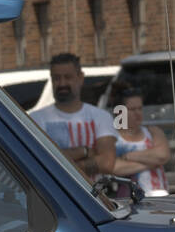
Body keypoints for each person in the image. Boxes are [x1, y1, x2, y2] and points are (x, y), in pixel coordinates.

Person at [28, 53, 116, 181]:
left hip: (93, 199)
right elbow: (37, 162)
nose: (62, 83)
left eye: (68, 77)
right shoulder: (35, 119)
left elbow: (107, 164)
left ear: (80, 78)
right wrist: (83, 151)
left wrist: (58, 164)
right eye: (56, 78)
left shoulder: (101, 117)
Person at [111, 87, 170, 197]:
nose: (138, 113)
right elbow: (114, 168)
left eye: (140, 108)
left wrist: (126, 156)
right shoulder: (113, 139)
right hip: (130, 201)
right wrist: (153, 162)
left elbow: (162, 156)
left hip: (160, 197)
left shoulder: (153, 132)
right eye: (132, 109)